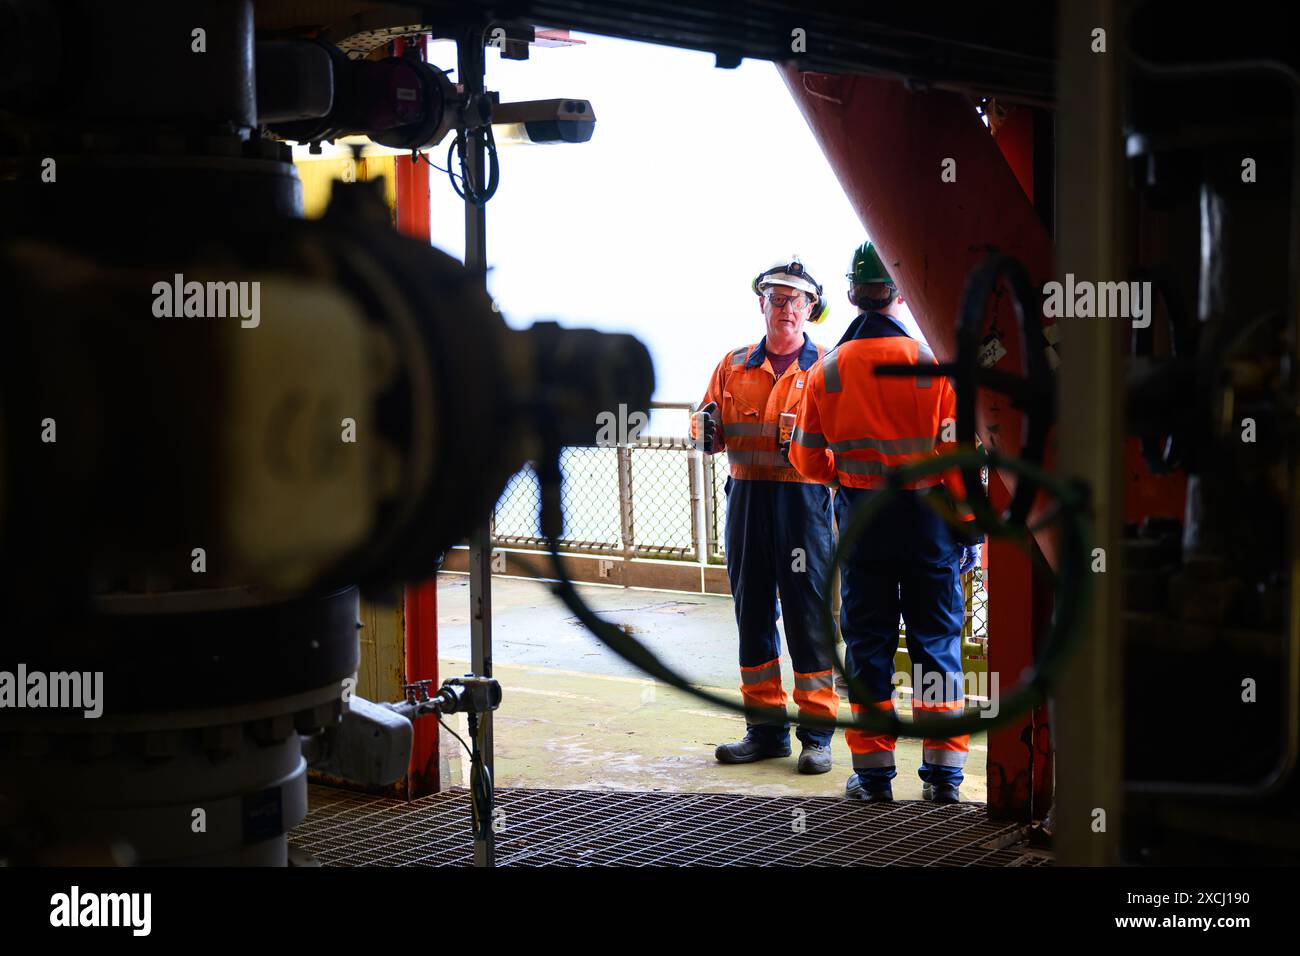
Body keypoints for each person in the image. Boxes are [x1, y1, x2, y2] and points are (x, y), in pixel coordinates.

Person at [788, 241, 981, 803]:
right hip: (928, 525)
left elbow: (805, 459)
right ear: (900, 292)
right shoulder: (932, 362)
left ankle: (873, 779)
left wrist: (845, 473)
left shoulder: (825, 372)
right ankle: (944, 779)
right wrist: (968, 528)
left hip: (863, 521)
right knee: (937, 647)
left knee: (868, 648)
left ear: (850, 295)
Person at [693, 258, 840, 775]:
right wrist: (704, 431)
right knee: (752, 612)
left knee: (808, 614)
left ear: (811, 309)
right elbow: (706, 426)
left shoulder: (827, 364)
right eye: (777, 298)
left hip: (804, 504)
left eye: (797, 300)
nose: (786, 309)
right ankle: (765, 730)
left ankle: (817, 735)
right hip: (748, 500)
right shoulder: (732, 365)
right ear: (762, 304)